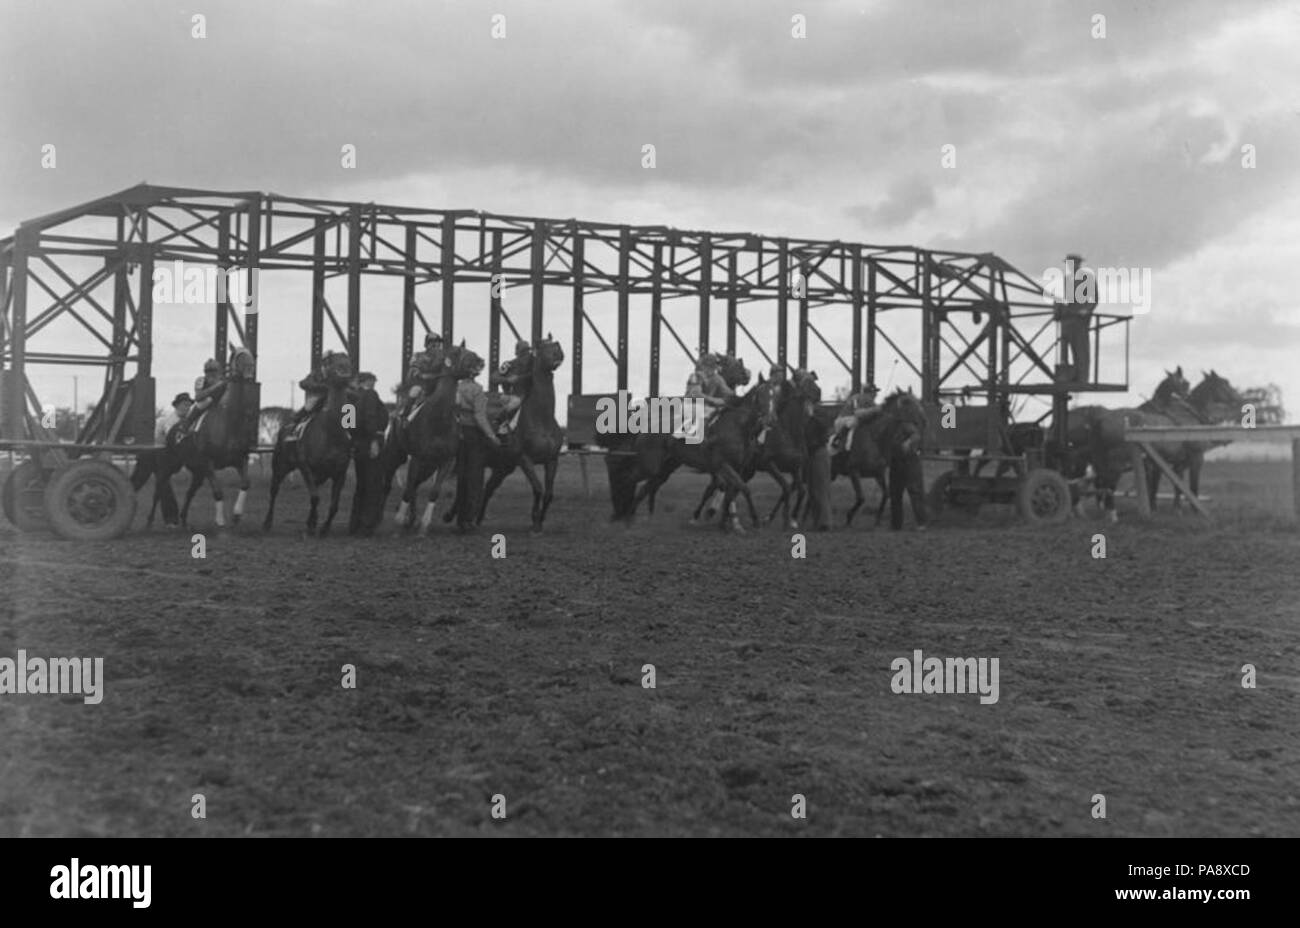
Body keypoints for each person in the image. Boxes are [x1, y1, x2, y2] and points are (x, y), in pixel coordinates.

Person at [453, 352, 502, 530]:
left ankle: (458, 516)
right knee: (475, 479)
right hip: (474, 435)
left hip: (458, 433)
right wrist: (492, 436)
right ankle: (469, 519)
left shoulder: (456, 387)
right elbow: (480, 416)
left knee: (462, 477)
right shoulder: (477, 390)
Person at [348, 372, 388, 536]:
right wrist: (373, 441)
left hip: (357, 445)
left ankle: (355, 524)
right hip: (372, 442)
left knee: (361, 485)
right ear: (368, 382)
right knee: (373, 485)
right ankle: (367, 525)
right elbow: (371, 417)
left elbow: (347, 424)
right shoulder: (371, 395)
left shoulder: (349, 400)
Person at [1058, 254, 1097, 383]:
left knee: (1081, 350)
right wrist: (1058, 310)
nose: (1072, 265)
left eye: (1074, 263)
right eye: (1069, 263)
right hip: (1067, 320)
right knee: (1065, 349)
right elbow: (1060, 298)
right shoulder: (1065, 279)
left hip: (1080, 320)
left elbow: (1094, 299)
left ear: (1079, 264)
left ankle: (1082, 378)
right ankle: (1068, 375)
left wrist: (1086, 310)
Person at [490, 339, 533, 435]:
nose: (526, 354)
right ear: (518, 353)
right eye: (523, 352)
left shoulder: (533, 366)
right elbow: (493, 377)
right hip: (510, 397)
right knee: (516, 402)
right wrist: (507, 380)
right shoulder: (509, 364)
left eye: (527, 351)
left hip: (527, 398)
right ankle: (499, 422)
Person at [176, 359, 225, 435]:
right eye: (208, 372)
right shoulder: (200, 380)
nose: (211, 375)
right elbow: (198, 397)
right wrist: (215, 386)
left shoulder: (224, 381)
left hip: (220, 403)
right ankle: (186, 425)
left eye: (214, 372)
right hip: (205, 403)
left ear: (219, 372)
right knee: (207, 400)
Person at [829, 382, 880, 452]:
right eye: (874, 392)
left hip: (852, 423)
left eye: (875, 392)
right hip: (842, 421)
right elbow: (858, 413)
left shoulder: (872, 403)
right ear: (868, 393)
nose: (875, 394)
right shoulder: (856, 398)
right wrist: (875, 410)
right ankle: (838, 439)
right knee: (855, 420)